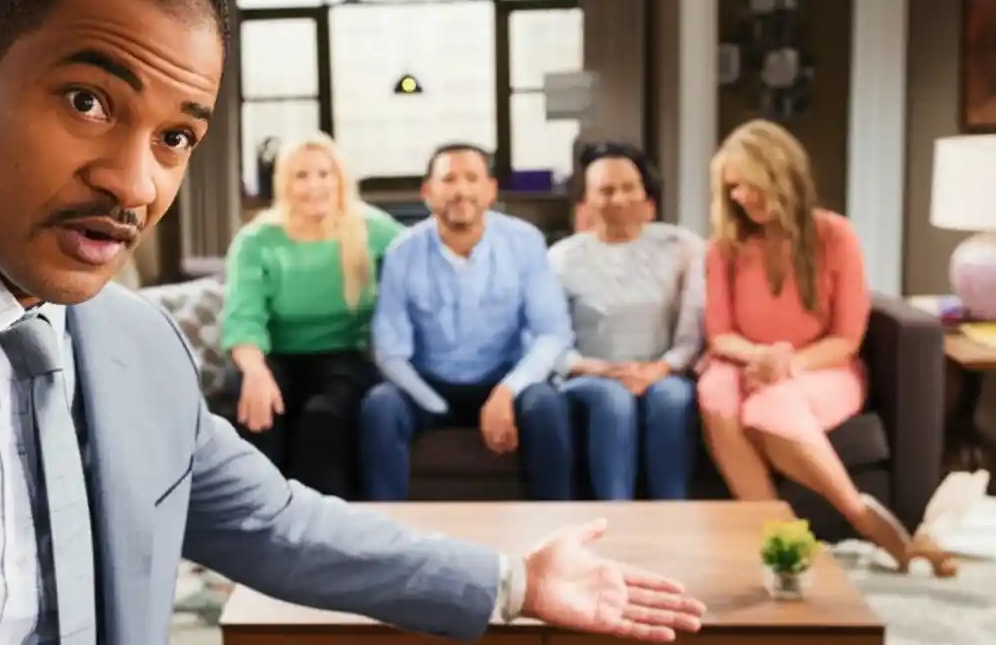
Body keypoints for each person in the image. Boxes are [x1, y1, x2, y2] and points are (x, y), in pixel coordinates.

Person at [0, 0, 705, 643]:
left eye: (176, 137)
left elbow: (276, 523)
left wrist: (511, 580)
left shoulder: (135, 344)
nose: (134, 182)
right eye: (88, 99)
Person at [697, 119, 956, 577]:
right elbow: (720, 333)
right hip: (744, 360)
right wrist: (760, 357)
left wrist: (788, 363)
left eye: (748, 185)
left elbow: (846, 339)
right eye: (731, 188)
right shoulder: (724, 249)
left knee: (768, 410)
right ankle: (781, 537)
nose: (738, 197)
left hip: (822, 365)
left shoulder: (835, 236)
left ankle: (865, 521)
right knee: (717, 397)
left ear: (781, 176)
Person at [360, 143, 573, 501]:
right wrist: (436, 406)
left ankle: (556, 534)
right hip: (428, 386)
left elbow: (552, 333)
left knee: (546, 405)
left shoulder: (524, 242)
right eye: (448, 179)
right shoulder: (402, 252)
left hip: (503, 381)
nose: (461, 191)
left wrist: (507, 391)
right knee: (380, 406)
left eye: (472, 178)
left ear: (490, 190)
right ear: (428, 193)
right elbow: (390, 352)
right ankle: (387, 539)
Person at [221, 132, 403, 499]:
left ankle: (324, 531)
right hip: (271, 356)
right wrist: (256, 373)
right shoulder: (257, 240)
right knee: (256, 407)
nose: (314, 186)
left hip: (343, 356)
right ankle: (254, 520)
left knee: (324, 416)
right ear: (284, 184)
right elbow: (244, 318)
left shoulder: (373, 229)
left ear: (341, 180)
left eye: (325, 174)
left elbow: (423, 260)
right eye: (301, 176)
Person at [546, 143, 703, 501]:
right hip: (588, 376)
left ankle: (672, 517)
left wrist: (660, 369)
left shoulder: (683, 247)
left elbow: (693, 332)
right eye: (605, 190)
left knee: (672, 400)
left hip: (664, 372)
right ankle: (614, 517)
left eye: (629, 187)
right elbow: (549, 339)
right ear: (586, 199)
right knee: (612, 400)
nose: (618, 199)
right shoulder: (560, 259)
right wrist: (596, 369)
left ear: (647, 194)